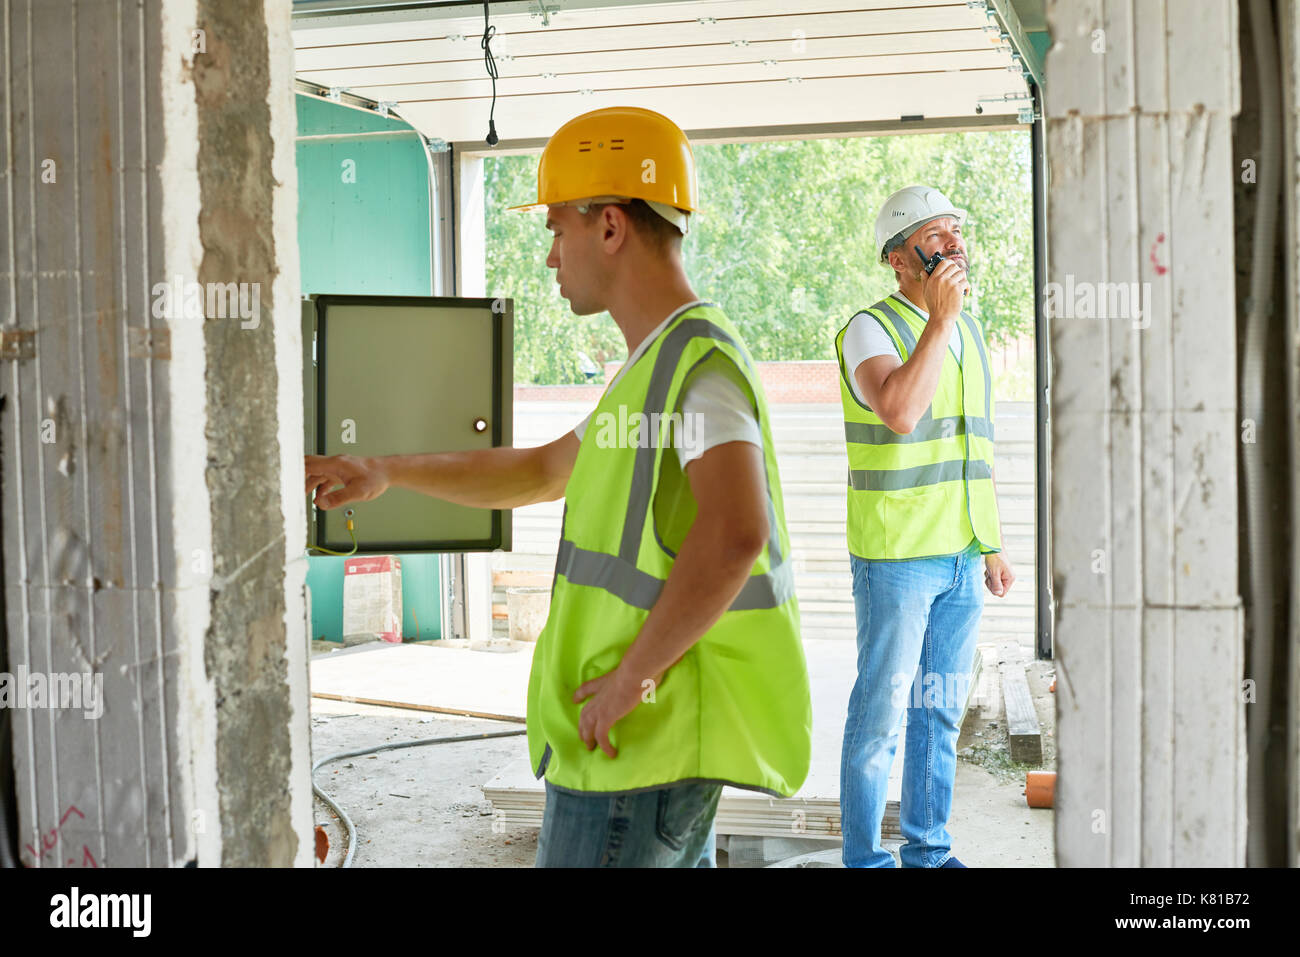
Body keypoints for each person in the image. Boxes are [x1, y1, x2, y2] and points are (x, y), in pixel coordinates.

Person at [305, 106, 811, 868]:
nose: (550, 256)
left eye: (556, 229)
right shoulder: (653, 369)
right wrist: (387, 470)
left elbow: (737, 531)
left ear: (610, 225)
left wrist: (631, 681)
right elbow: (541, 469)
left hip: (635, 747)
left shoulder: (697, 365)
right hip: (633, 745)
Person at [833, 185, 1015, 868]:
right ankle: (865, 859)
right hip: (898, 556)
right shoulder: (869, 328)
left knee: (937, 711)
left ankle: (929, 853)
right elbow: (901, 411)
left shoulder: (968, 329)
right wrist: (939, 322)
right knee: (881, 712)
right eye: (937, 237)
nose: (955, 246)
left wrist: (991, 544)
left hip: (963, 553)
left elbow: (976, 442)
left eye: (956, 232)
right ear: (898, 258)